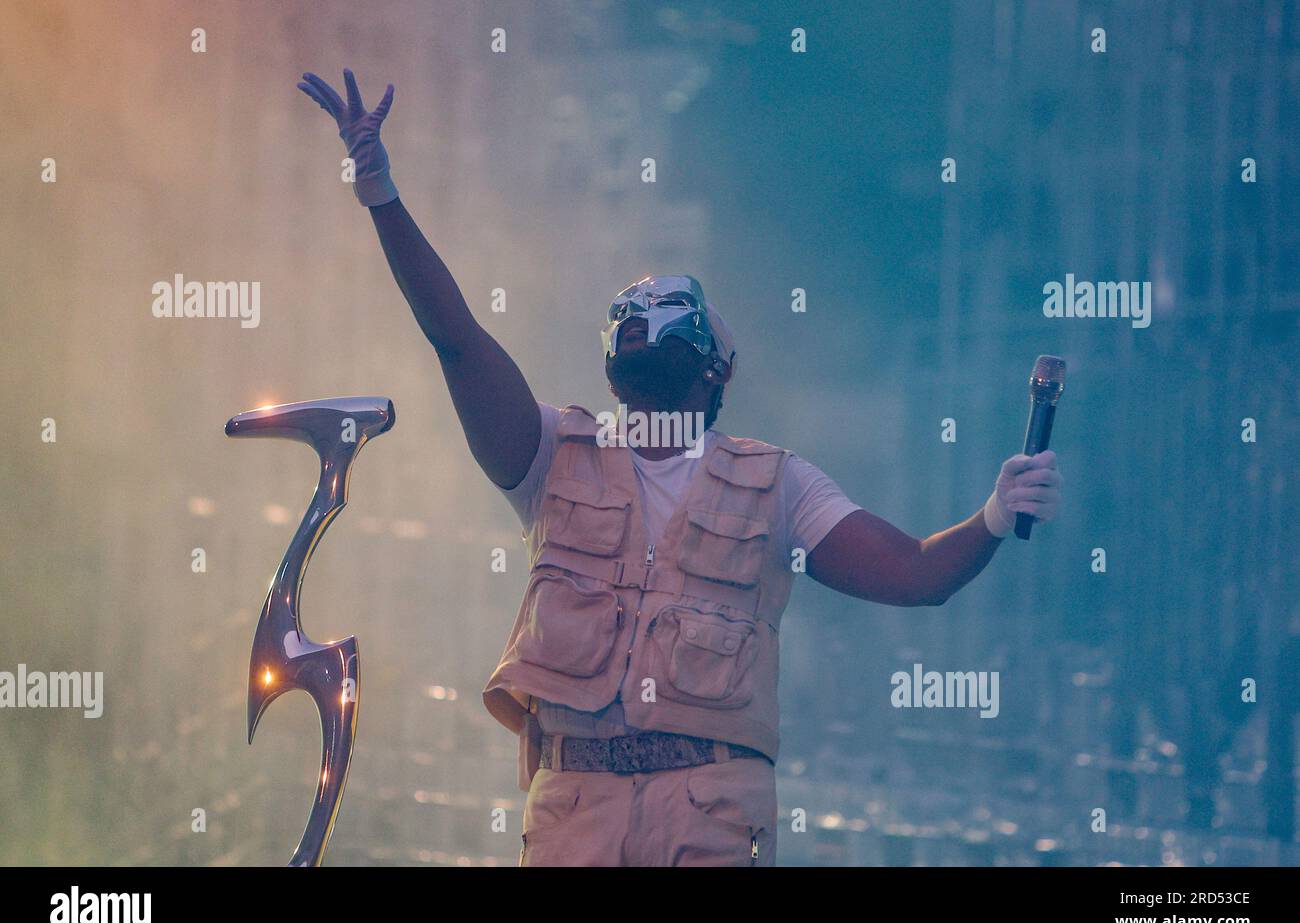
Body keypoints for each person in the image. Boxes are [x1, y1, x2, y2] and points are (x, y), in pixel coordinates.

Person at [298, 69, 1064, 866]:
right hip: (572, 815)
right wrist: (380, 192)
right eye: (625, 321)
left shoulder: (781, 487)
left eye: (662, 318)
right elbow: (455, 337)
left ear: (715, 371)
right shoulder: (552, 454)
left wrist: (993, 519)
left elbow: (913, 573)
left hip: (705, 820)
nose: (637, 325)